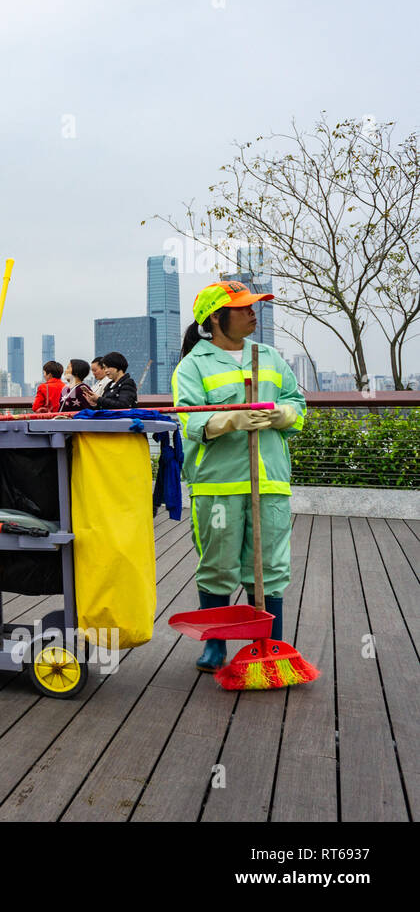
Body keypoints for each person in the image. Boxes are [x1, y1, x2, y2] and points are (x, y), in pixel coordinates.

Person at [174, 281, 305, 673]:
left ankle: (270, 644)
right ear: (216, 317)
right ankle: (215, 646)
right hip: (218, 482)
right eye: (244, 307)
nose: (253, 313)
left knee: (270, 566)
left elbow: (297, 404)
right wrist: (229, 418)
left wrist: (286, 414)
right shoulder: (193, 365)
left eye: (254, 306)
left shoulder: (270, 357)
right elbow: (189, 420)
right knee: (218, 564)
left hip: (270, 480)